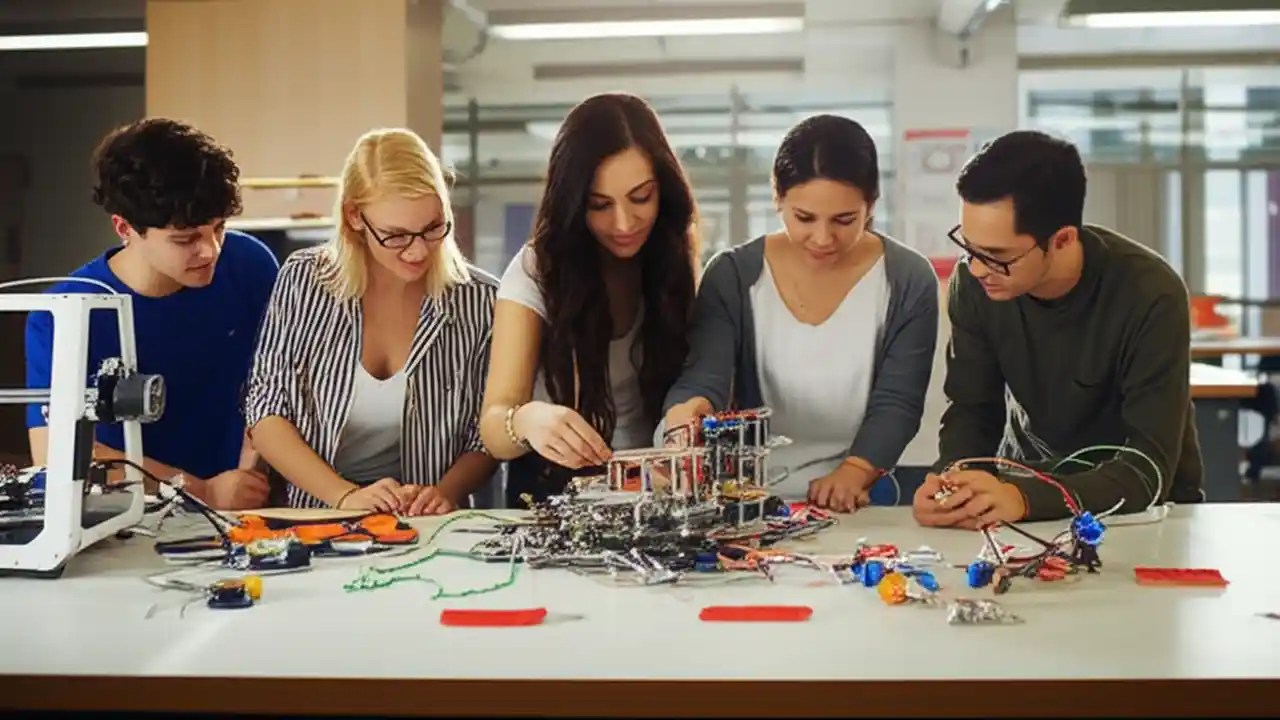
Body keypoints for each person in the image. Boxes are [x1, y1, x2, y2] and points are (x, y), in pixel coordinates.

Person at [914, 129, 1203, 528]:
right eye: (969, 247)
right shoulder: (974, 284)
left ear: (1063, 239)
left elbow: (1146, 467)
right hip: (1024, 493)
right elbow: (972, 409)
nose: (977, 268)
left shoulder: (1150, 293)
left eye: (997, 255)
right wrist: (953, 483)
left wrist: (1023, 498)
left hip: (1141, 509)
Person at [662, 114, 940, 512]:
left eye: (845, 220)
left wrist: (853, 473)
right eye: (804, 218)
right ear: (777, 198)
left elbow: (897, 402)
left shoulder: (908, 279)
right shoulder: (734, 275)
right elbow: (705, 377)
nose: (823, 239)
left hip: (858, 494)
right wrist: (686, 419)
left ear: (872, 205)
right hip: (749, 495)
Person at [24, 118, 278, 510]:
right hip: (130, 519)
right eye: (186, 238)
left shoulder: (251, 265)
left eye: (219, 229)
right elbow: (53, 455)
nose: (210, 250)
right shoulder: (65, 314)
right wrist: (201, 491)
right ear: (124, 228)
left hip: (250, 506)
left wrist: (253, 466)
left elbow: (282, 379)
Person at [243, 128, 498, 514]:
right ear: (354, 217)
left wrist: (445, 492)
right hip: (319, 514)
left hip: (430, 522)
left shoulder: (480, 299)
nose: (417, 251)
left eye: (433, 228)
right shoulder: (304, 280)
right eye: (395, 235)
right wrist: (344, 495)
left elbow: (486, 434)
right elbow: (266, 409)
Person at [478, 93, 700, 505]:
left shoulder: (673, 260)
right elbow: (493, 429)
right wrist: (527, 419)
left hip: (659, 495)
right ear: (573, 203)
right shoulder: (536, 269)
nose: (623, 223)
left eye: (641, 198)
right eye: (599, 205)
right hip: (554, 497)